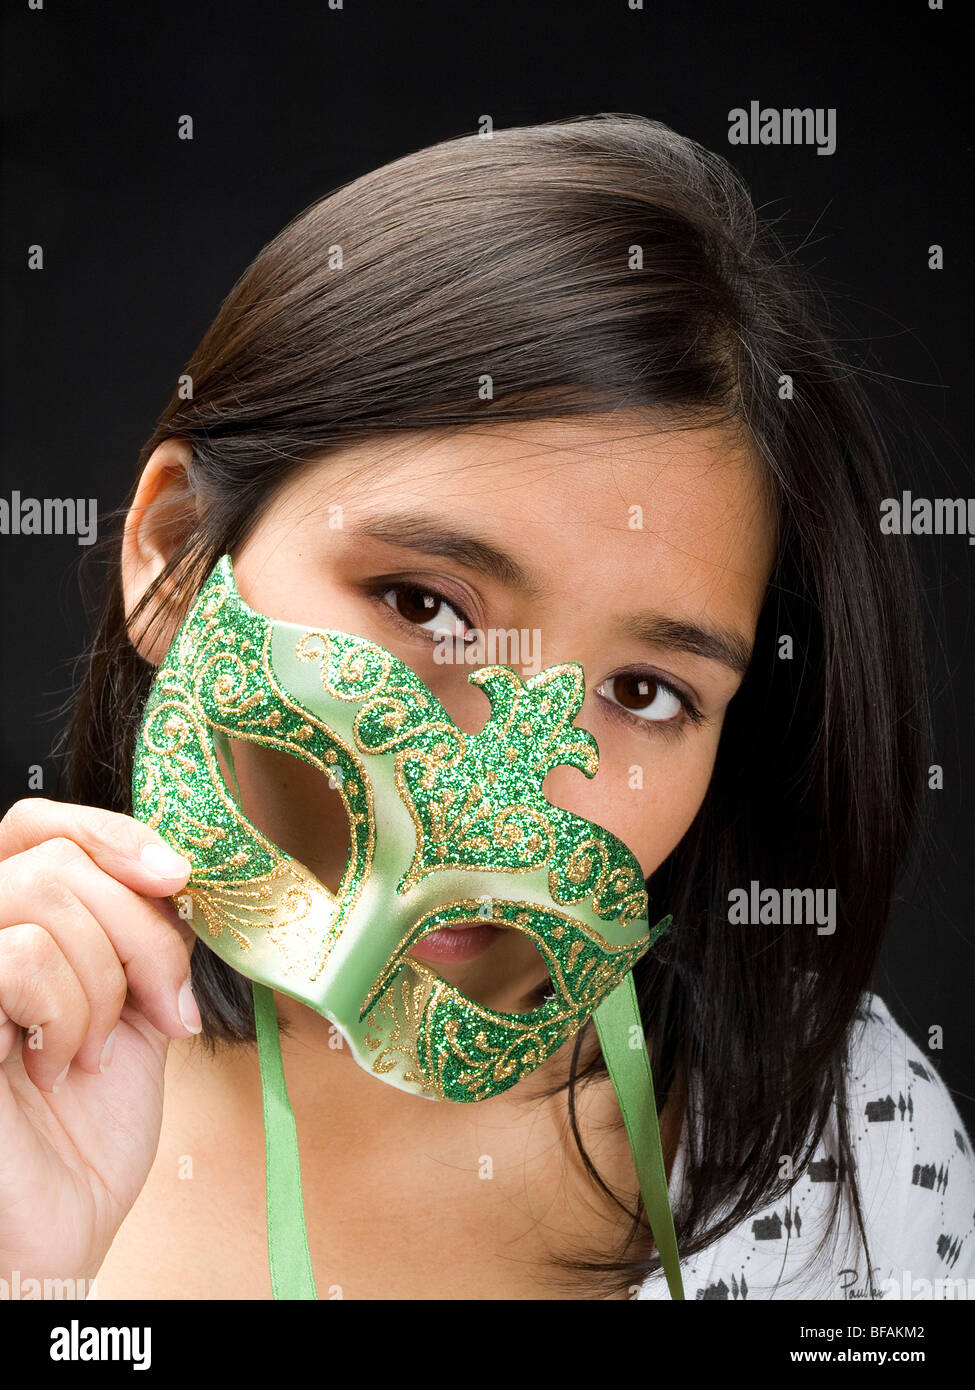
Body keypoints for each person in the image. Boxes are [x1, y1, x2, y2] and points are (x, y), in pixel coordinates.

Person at [1, 113, 971, 1301]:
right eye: (425, 604)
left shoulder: (854, 1153)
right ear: (174, 552)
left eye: (646, 691)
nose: (498, 789)